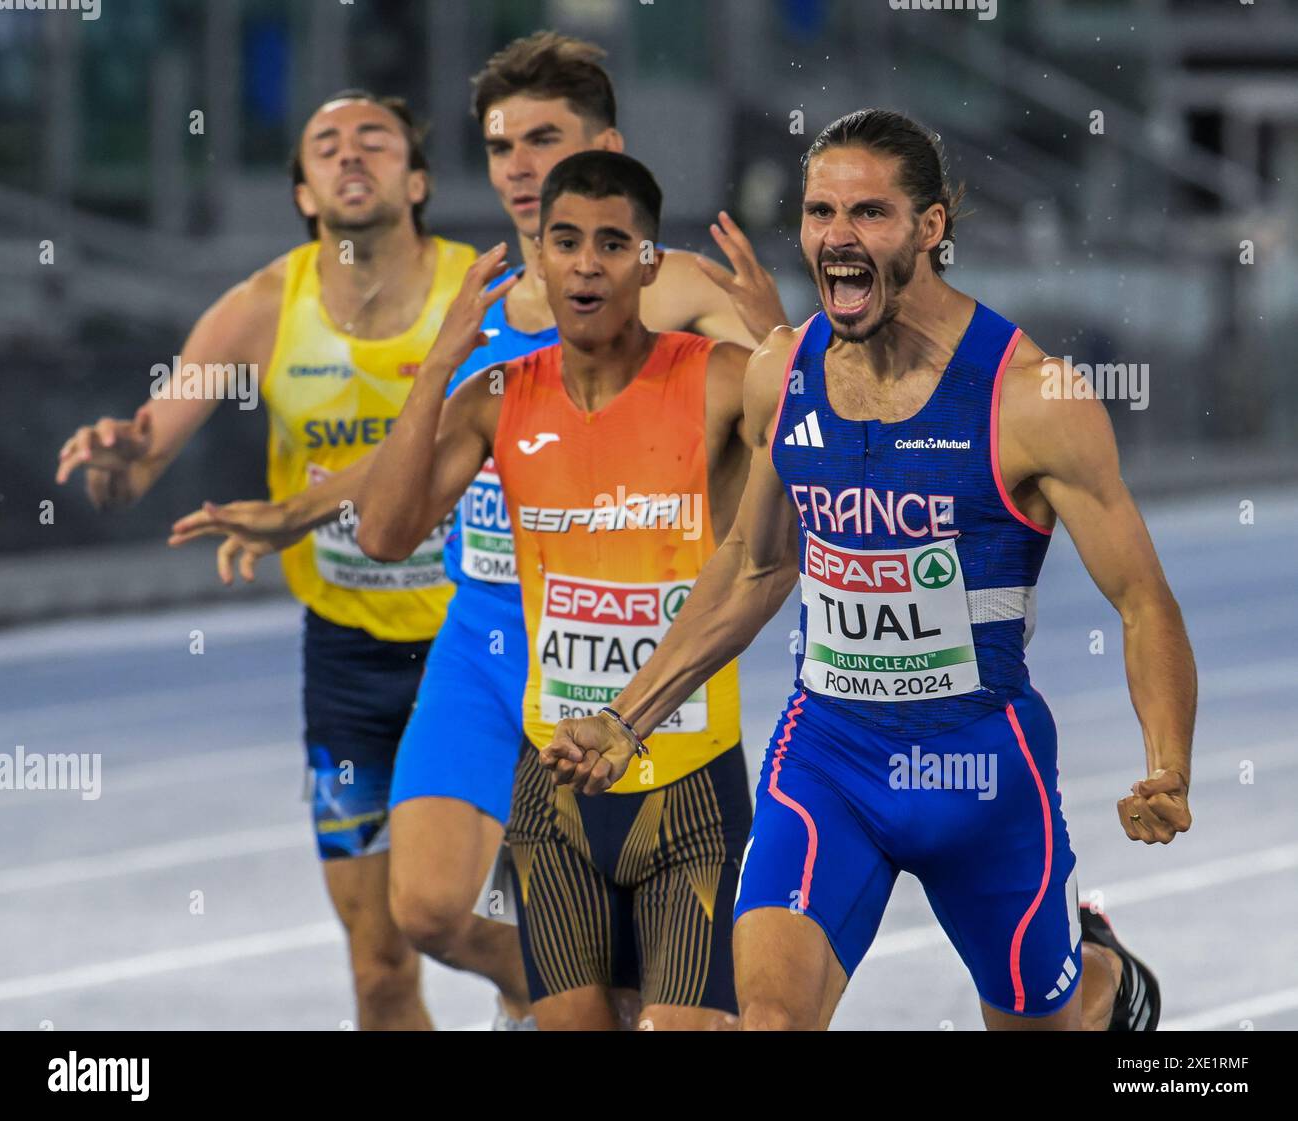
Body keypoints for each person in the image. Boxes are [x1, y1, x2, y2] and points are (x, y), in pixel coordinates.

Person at [169, 33, 785, 1029]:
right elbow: (426, 446)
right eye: (501, 147)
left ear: (609, 146)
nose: (521, 167)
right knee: (425, 906)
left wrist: (781, 356)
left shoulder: (677, 294)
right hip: (487, 635)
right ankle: (566, 990)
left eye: (545, 139)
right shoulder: (480, 293)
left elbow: (791, 431)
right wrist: (298, 508)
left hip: (639, 647)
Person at [540, 109, 1194, 1031]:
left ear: (932, 227)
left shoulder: (1032, 399)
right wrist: (624, 718)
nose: (836, 238)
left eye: (870, 214)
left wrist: (1169, 765)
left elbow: (1141, 602)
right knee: (764, 1020)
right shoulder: (784, 372)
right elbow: (756, 565)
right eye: (819, 213)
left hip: (981, 774)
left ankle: (1100, 984)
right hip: (830, 759)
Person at [55, 92, 478, 1030]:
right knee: (377, 966)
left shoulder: (483, 298)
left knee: (532, 938)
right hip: (350, 665)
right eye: (324, 143)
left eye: (375, 138)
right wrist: (117, 465)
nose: (349, 152)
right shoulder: (257, 311)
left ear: (418, 181)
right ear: (301, 191)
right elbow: (139, 465)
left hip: (489, 651)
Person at [359, 150, 757, 1028]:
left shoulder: (717, 376)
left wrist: (786, 352)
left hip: (685, 784)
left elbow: (823, 472)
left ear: (650, 264)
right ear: (537, 258)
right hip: (559, 794)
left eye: (613, 244)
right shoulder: (500, 397)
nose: (585, 263)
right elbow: (385, 534)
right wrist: (436, 369)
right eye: (564, 241)